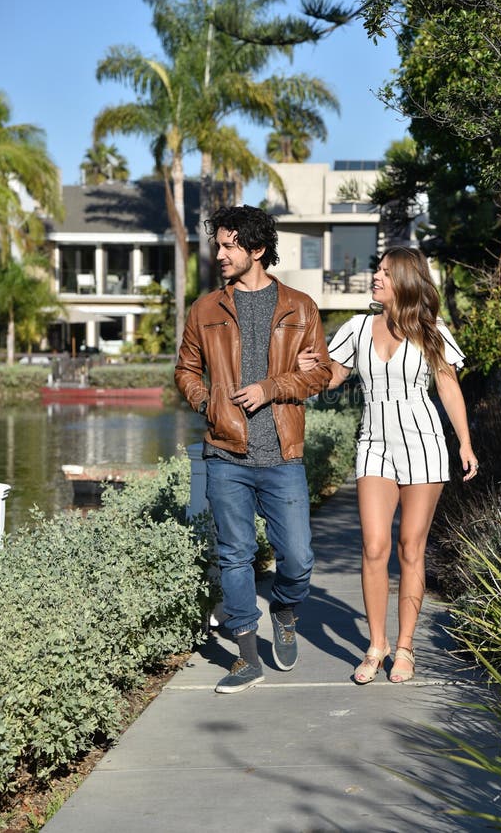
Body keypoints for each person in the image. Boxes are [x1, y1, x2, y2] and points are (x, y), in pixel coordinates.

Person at [298, 247, 478, 684]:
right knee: (375, 547)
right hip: (373, 444)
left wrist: (466, 444)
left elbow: (449, 390)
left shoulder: (431, 329)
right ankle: (376, 646)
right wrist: (307, 368)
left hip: (424, 444)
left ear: (405, 280)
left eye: (383, 272)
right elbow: (333, 377)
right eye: (375, 270)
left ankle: (405, 648)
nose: (375, 277)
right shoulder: (359, 327)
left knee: (411, 550)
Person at [175, 205, 331, 694]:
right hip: (224, 454)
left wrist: (272, 387)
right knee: (235, 554)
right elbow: (185, 370)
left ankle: (284, 611)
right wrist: (209, 403)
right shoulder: (205, 309)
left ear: (257, 250)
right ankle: (245, 656)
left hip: (282, 453)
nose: (219, 255)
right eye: (217, 245)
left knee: (299, 557)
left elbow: (321, 373)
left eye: (229, 246)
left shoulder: (300, 307)